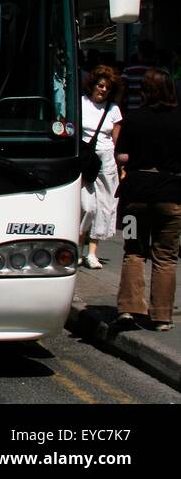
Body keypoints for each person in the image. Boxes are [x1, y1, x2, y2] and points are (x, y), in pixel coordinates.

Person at [114, 69, 181, 332]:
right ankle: (162, 316)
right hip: (171, 195)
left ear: (144, 91)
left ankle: (129, 310)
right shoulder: (179, 120)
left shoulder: (134, 119)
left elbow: (122, 156)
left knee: (134, 250)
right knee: (165, 256)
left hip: (136, 196)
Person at [79, 66, 123, 269]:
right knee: (87, 206)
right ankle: (78, 246)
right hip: (86, 158)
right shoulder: (80, 103)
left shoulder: (114, 109)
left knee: (104, 206)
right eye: (100, 85)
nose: (103, 89)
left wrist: (121, 166)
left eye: (107, 87)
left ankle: (92, 252)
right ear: (93, 84)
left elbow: (117, 141)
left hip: (106, 160)